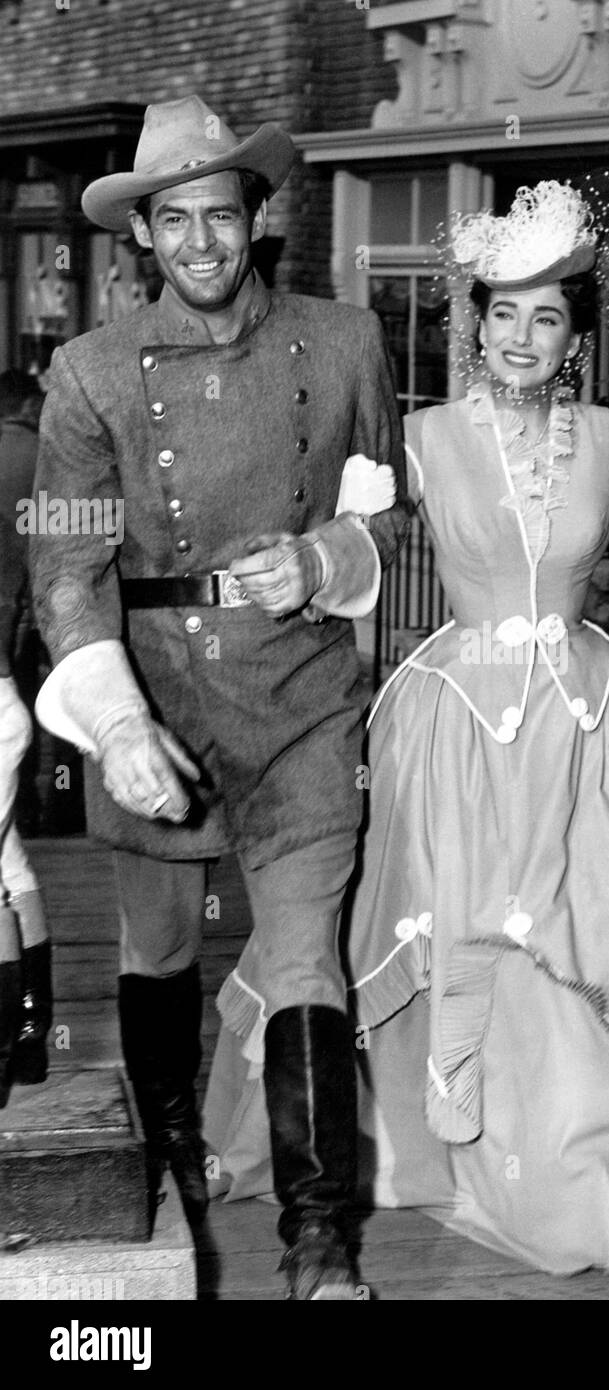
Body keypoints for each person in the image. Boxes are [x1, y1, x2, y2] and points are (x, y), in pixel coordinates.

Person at [206, 179, 609, 1276]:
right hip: (455, 728)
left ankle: (593, 1166)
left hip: (589, 728)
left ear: (575, 336)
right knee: (455, 934)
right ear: (474, 322)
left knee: (599, 932)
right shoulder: (416, 436)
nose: (520, 335)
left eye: (545, 315)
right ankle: (450, 1139)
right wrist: (312, 563)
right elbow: (363, 543)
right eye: (501, 312)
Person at [29, 96, 411, 1299]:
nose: (201, 242)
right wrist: (119, 722)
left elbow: (390, 516)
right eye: (174, 220)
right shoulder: (87, 373)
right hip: (156, 695)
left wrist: (323, 562)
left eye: (221, 214)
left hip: (302, 697)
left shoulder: (345, 341)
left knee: (306, 955)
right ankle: (174, 1153)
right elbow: (65, 559)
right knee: (154, 946)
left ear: (256, 215)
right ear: (143, 231)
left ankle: (319, 1244)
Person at [0, 369, 52, 1106]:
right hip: (9, 692)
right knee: (9, 863)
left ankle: (6, 1045)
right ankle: (34, 1036)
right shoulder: (51, 467)